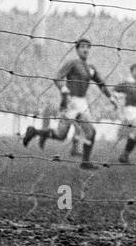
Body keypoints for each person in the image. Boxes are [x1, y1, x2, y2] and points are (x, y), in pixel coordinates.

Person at [21, 38, 115, 169]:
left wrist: (111, 97)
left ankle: (85, 161)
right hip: (70, 102)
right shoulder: (73, 63)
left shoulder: (90, 68)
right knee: (61, 135)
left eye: (87, 47)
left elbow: (101, 84)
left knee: (90, 132)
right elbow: (58, 77)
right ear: (77, 49)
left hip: (82, 103)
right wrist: (63, 88)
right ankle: (35, 132)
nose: (85, 49)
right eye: (82, 47)